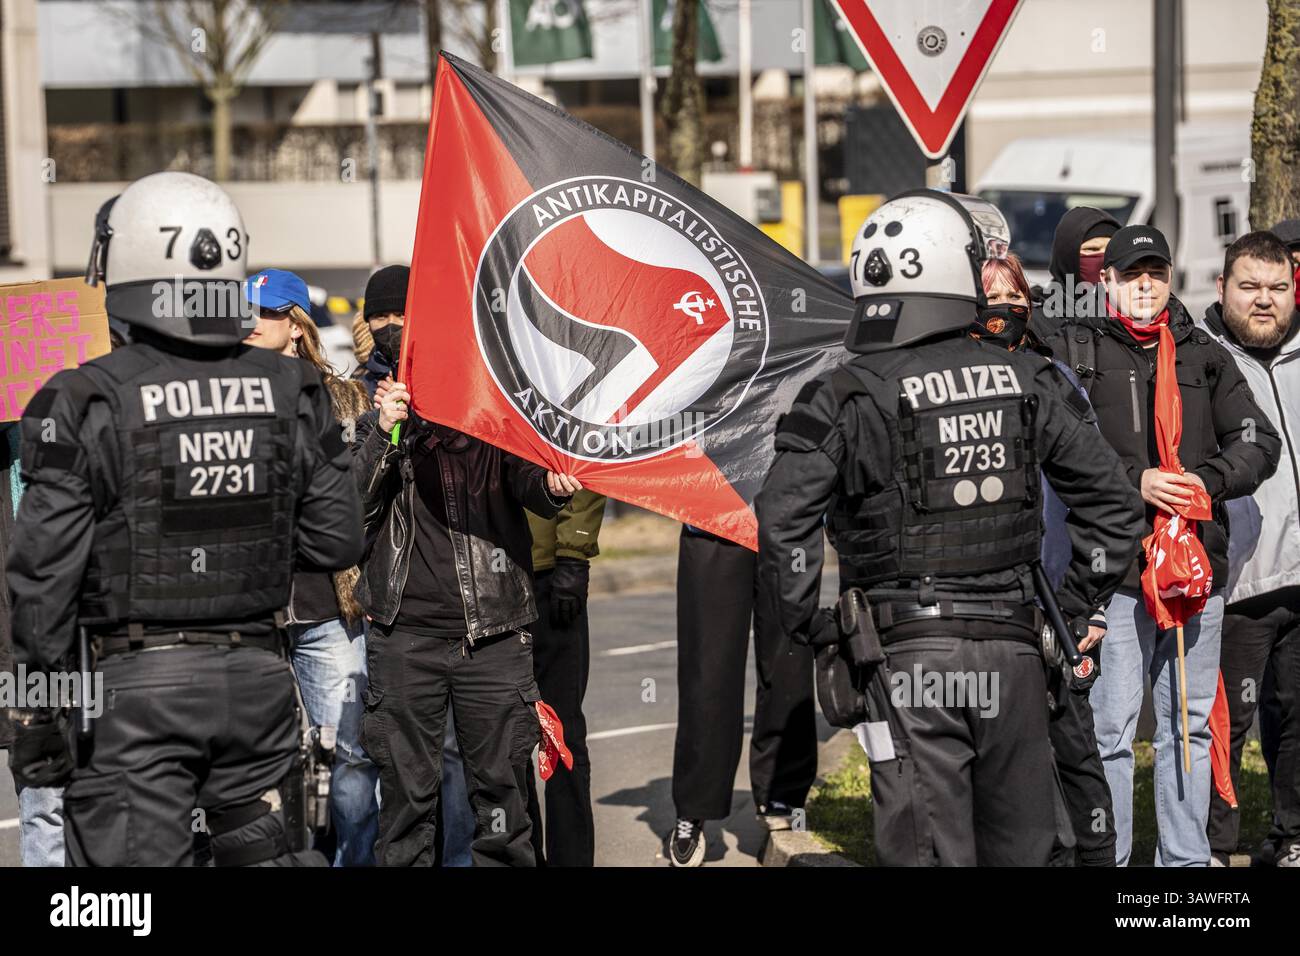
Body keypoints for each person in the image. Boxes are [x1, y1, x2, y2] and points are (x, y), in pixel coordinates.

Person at [757, 190, 1144, 866]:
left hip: (903, 667)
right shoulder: (1031, 378)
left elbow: (782, 522)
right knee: (1026, 849)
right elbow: (1114, 506)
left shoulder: (843, 393)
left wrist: (812, 626)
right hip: (1019, 655)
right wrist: (1075, 607)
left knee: (926, 849)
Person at [5, 171, 363, 866]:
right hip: (258, 688)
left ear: (127, 271)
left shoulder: (80, 400)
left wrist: (36, 720)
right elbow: (337, 538)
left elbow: (39, 586)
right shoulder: (298, 389)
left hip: (131, 697)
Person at [1048, 224, 1282, 866]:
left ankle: (1182, 861)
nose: (1145, 284)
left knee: (1189, 725)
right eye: (1132, 274)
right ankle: (1114, 862)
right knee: (1112, 731)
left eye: (1156, 272)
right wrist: (1139, 483)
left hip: (1190, 570)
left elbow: (1261, 442)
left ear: (1170, 277)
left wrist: (1203, 481)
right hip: (1114, 572)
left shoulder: (1203, 352)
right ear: (1109, 282)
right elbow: (1060, 453)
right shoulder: (1080, 349)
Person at [353, 354, 581, 867]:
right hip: (404, 638)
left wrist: (552, 484)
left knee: (503, 801)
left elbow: (533, 483)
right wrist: (385, 434)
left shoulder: (498, 418)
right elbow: (350, 513)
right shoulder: (383, 425)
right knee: (406, 806)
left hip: (495, 636)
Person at [971, 251, 1118, 866]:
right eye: (987, 300)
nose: (1001, 312)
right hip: (980, 610)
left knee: (1075, 753)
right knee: (999, 765)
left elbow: (1102, 498)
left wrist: (1090, 606)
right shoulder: (948, 382)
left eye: (1013, 300)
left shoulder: (1055, 380)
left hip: (1057, 606)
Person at [244, 267, 380, 866]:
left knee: (348, 756)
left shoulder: (343, 399)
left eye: (268, 312)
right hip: (252, 615)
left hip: (328, 608)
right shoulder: (222, 398)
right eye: (247, 310)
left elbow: (357, 497)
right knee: (261, 765)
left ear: (297, 325)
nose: (253, 322)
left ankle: (352, 861)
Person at [1197, 231, 1300, 867]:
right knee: (1223, 728)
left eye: (1277, 289)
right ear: (1223, 289)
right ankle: (1212, 849)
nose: (1264, 302)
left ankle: (1291, 838)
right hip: (1235, 584)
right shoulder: (1197, 358)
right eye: (1250, 288)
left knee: (1297, 724)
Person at [665, 525, 818, 867]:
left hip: (792, 515)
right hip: (711, 513)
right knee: (707, 670)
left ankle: (783, 793)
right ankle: (694, 806)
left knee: (789, 661)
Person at [524, 491, 605, 866]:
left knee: (562, 733)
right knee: (499, 740)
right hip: (485, 577)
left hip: (551, 573)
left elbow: (583, 458)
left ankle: (569, 859)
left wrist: (574, 552)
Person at [1035, 206, 1122, 340]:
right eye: (1092, 249)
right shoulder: (1037, 319)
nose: (1104, 258)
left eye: (1111, 249)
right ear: (1067, 256)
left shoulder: (1131, 311)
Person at [353, 265, 407, 400]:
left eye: (401, 314)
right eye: (381, 316)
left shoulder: (439, 378)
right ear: (368, 322)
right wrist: (377, 418)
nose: (391, 324)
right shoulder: (357, 387)